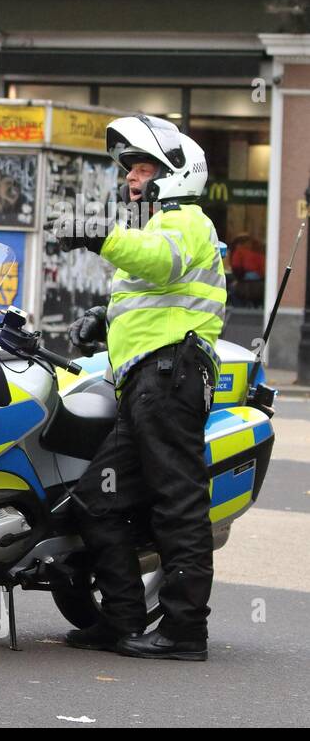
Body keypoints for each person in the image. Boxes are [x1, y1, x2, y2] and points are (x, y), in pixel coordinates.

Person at [57, 114, 225, 661]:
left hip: (171, 378)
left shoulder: (187, 220)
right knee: (95, 502)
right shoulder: (157, 226)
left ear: (176, 172)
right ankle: (123, 619)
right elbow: (157, 293)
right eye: (129, 168)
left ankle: (184, 632)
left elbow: (160, 264)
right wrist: (104, 316)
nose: (131, 177)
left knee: (178, 505)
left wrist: (101, 235)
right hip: (143, 385)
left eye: (144, 166)